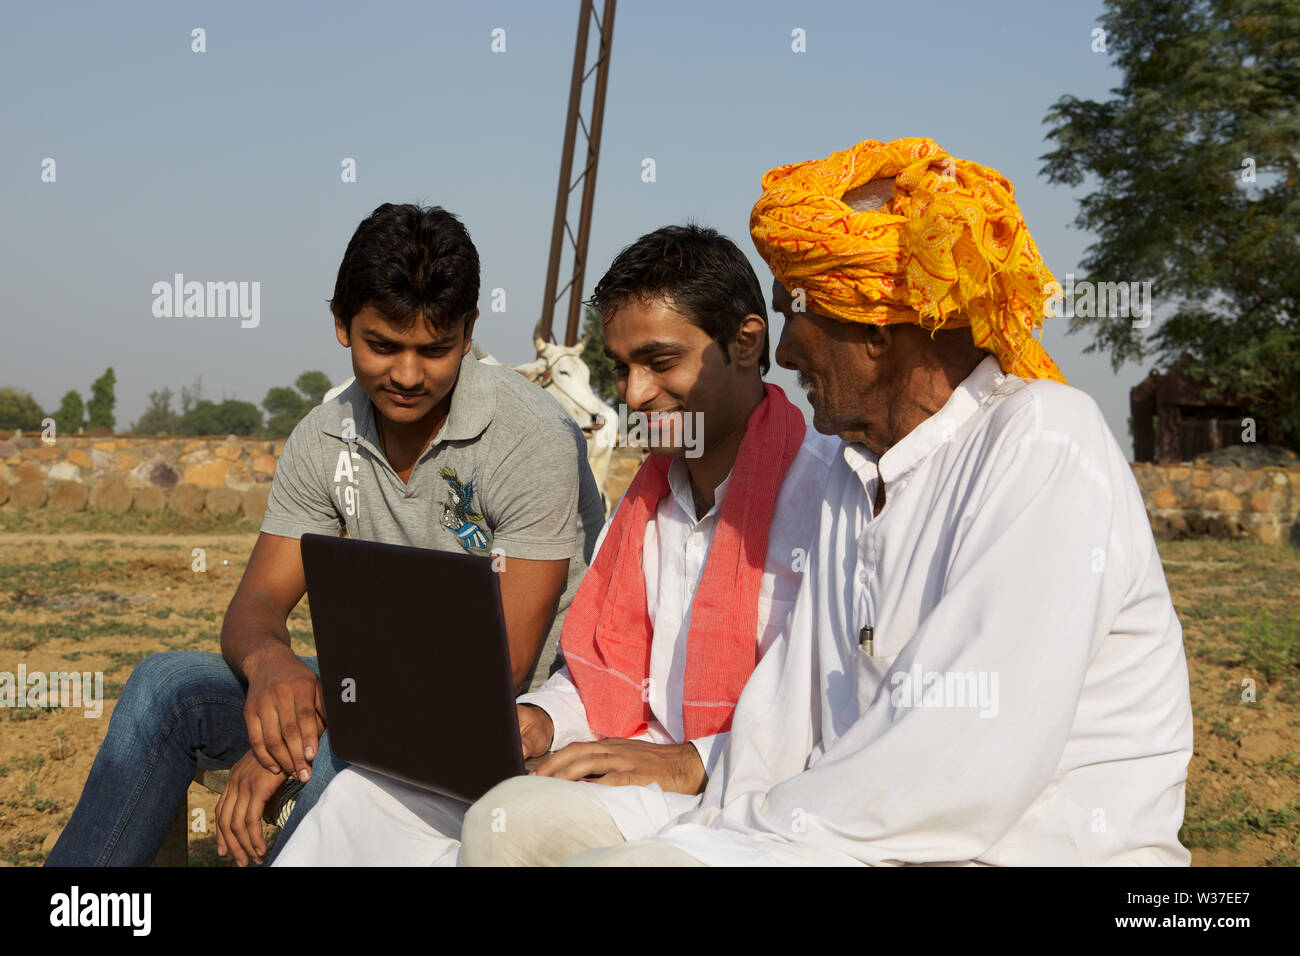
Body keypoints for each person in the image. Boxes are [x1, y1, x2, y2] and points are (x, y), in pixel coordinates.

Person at [459, 137, 1194, 866]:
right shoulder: (858, 473)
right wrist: (713, 812)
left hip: (1003, 846)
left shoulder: (1042, 441)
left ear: (874, 324)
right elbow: (786, 717)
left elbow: (957, 766)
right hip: (831, 824)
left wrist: (730, 832)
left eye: (793, 313)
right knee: (509, 828)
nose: (785, 352)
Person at [45, 202, 604, 867]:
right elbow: (255, 605)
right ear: (341, 324)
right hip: (361, 696)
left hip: (505, 722)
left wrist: (298, 736)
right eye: (382, 345)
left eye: (434, 349)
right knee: (164, 688)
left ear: (469, 331)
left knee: (355, 744)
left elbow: (492, 672)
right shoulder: (325, 435)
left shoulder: (530, 435)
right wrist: (271, 666)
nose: (406, 374)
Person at [272, 224, 839, 866]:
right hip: (621, 768)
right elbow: (600, 674)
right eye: (622, 368)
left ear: (744, 342)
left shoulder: (827, 501)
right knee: (358, 806)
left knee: (507, 827)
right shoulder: (649, 501)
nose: (633, 395)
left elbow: (831, 710)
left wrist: (695, 760)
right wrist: (541, 719)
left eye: (660, 363)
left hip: (750, 798)